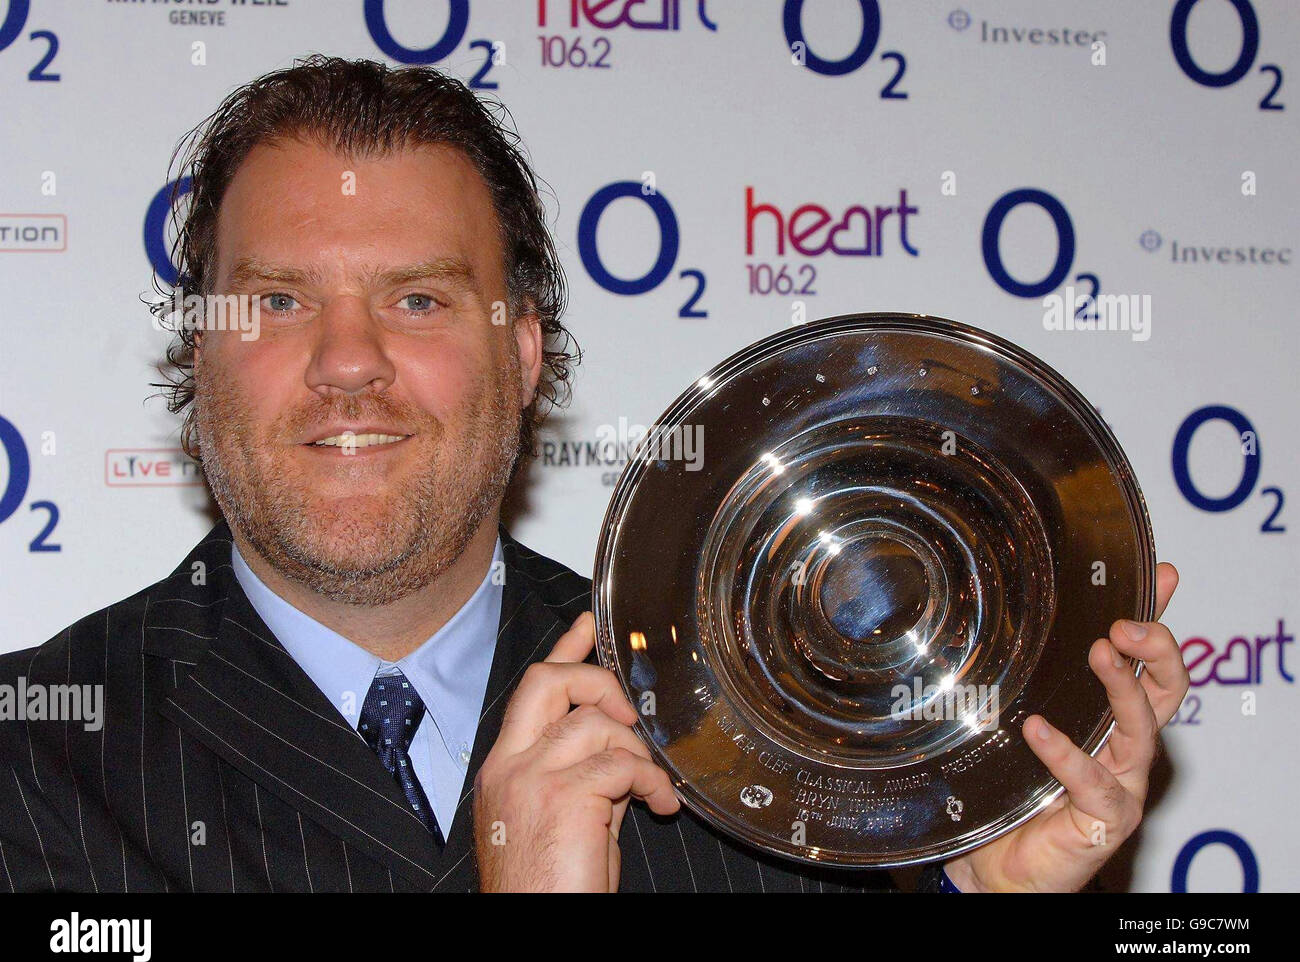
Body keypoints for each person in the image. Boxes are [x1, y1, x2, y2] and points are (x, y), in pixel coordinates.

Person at [0, 56, 1188, 893]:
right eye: (277, 301)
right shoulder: (35, 762)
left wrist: (980, 896)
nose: (348, 363)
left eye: (418, 298)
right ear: (199, 351)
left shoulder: (771, 730)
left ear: (521, 354)